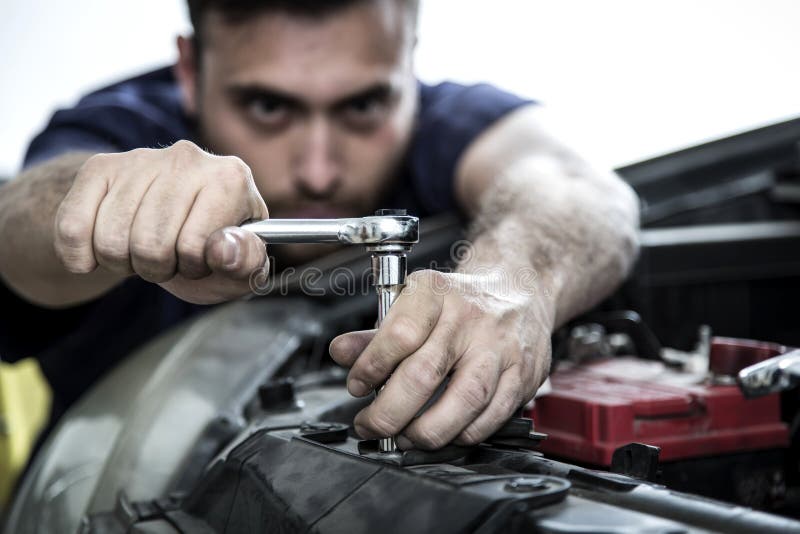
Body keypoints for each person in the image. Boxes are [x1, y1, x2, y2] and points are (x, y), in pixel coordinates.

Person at [0, 0, 639, 450]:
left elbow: (577, 187)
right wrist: (103, 200)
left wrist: (514, 279)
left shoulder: (447, 122)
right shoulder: (120, 128)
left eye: (362, 104)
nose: (317, 169)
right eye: (268, 106)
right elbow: (18, 223)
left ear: (409, 62)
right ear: (190, 71)